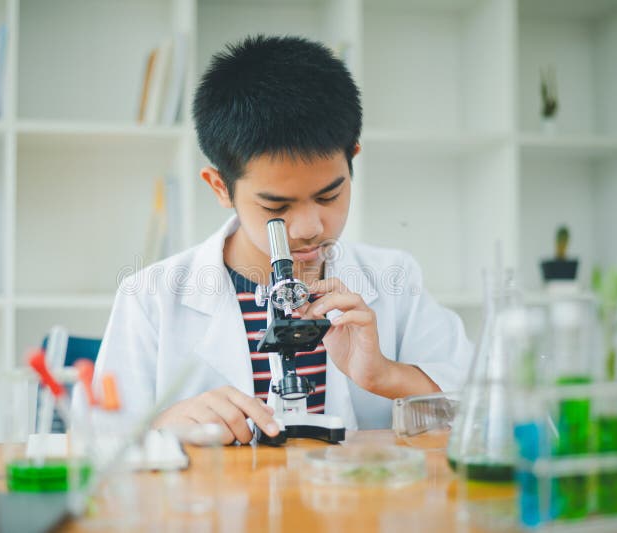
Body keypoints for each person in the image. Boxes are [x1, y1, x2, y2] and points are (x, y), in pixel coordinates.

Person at [95, 35, 473, 444]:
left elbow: (481, 406)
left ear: (352, 161)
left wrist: (384, 375)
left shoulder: (394, 278)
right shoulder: (149, 297)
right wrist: (161, 427)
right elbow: (97, 442)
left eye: (329, 195)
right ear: (220, 187)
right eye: (277, 207)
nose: (310, 227)